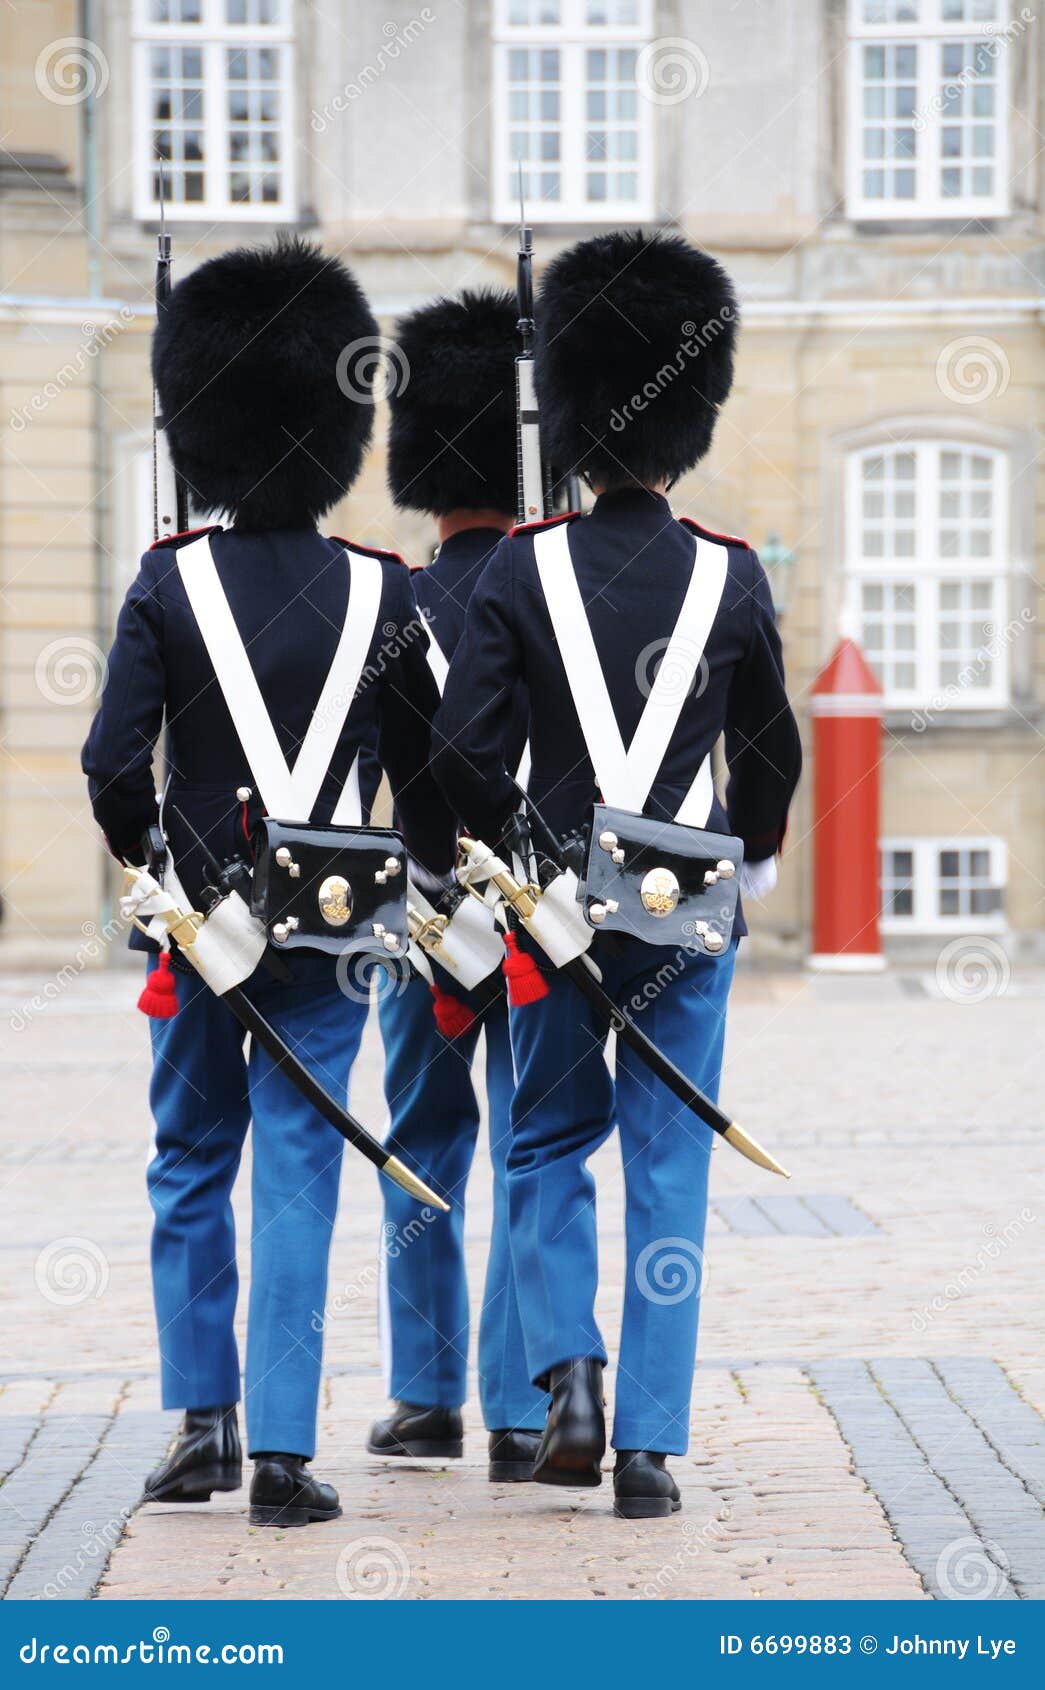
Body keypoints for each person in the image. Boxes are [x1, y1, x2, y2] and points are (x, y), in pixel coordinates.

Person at [430, 231, 802, 1519]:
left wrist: (528, 856)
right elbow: (771, 753)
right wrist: (747, 853)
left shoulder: (522, 564)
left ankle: (569, 1376)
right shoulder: (730, 572)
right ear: (685, 429)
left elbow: (462, 752)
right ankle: (645, 1448)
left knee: (543, 1143)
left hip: (552, 914)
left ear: (577, 419)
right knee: (668, 1163)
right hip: (686, 904)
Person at [82, 238, 452, 1528]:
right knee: (300, 1163)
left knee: (191, 1160)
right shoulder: (384, 589)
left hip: (196, 929)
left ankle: (203, 1428)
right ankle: (287, 1454)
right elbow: (431, 768)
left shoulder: (167, 578)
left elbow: (111, 761)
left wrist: (154, 870)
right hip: (334, 930)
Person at [366, 290, 548, 1481]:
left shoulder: (394, 601)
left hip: (424, 909)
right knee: (535, 1144)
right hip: (538, 916)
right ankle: (520, 1407)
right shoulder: (557, 585)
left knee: (423, 1147)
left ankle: (426, 1395)